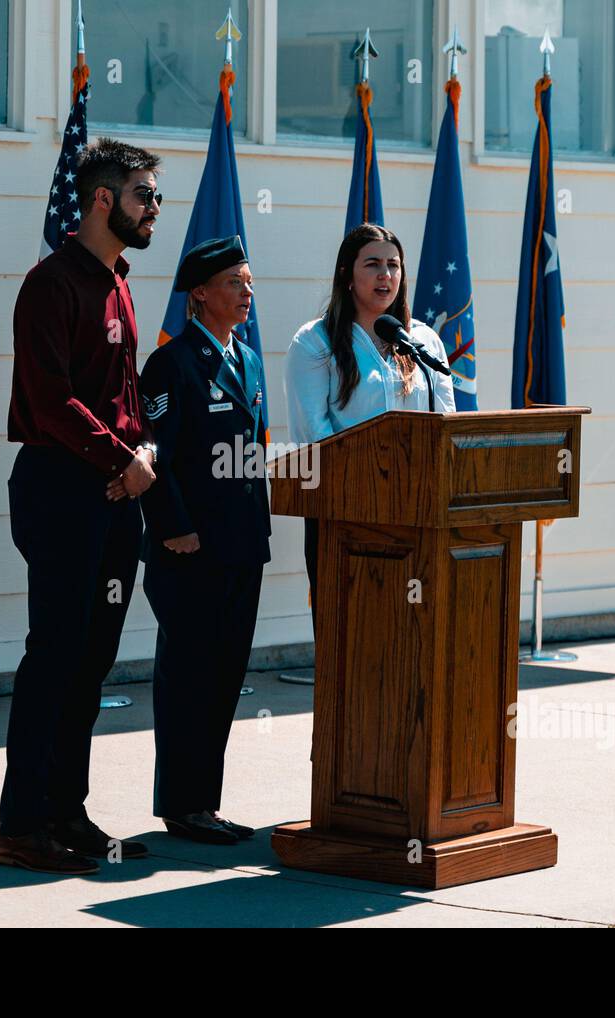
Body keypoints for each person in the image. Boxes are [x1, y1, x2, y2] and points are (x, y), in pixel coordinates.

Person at [0, 137, 163, 874]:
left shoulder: (120, 282)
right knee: (54, 656)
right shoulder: (51, 284)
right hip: (62, 489)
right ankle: (21, 825)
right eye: (143, 196)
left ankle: (67, 809)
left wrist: (146, 452)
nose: (154, 208)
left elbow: (126, 395)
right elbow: (50, 399)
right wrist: (121, 460)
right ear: (103, 200)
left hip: (117, 492)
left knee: (91, 663)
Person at [138, 235, 270, 845]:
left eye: (247, 282)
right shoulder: (171, 364)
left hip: (242, 546)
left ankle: (205, 804)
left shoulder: (246, 357)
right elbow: (156, 458)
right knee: (189, 676)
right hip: (190, 550)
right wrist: (174, 529)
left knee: (223, 677)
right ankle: (182, 805)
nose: (247, 293)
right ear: (200, 294)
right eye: (234, 284)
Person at [283, 222, 456, 631]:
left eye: (394, 265)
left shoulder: (424, 340)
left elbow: (448, 423)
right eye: (373, 264)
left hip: (419, 509)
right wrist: (373, 481)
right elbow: (315, 437)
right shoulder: (314, 342)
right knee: (351, 632)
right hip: (346, 514)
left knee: (410, 634)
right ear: (347, 273)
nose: (386, 276)